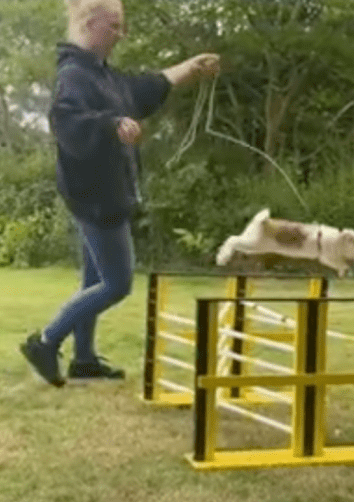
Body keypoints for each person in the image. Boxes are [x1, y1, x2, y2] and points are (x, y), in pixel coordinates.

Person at [20, 0, 220, 386]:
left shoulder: (102, 75)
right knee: (117, 284)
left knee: (94, 280)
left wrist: (189, 69)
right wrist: (112, 124)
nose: (120, 35)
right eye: (114, 26)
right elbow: (66, 123)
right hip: (96, 196)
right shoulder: (75, 74)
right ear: (90, 24)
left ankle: (84, 360)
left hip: (100, 192)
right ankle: (45, 342)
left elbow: (143, 87)